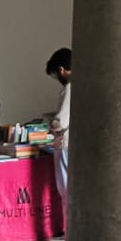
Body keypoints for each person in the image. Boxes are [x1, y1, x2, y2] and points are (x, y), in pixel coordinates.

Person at [46, 46, 72, 204]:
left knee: (65, 189)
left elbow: (61, 122)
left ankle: (67, 228)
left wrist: (51, 124)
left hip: (65, 144)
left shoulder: (69, 89)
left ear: (61, 70)